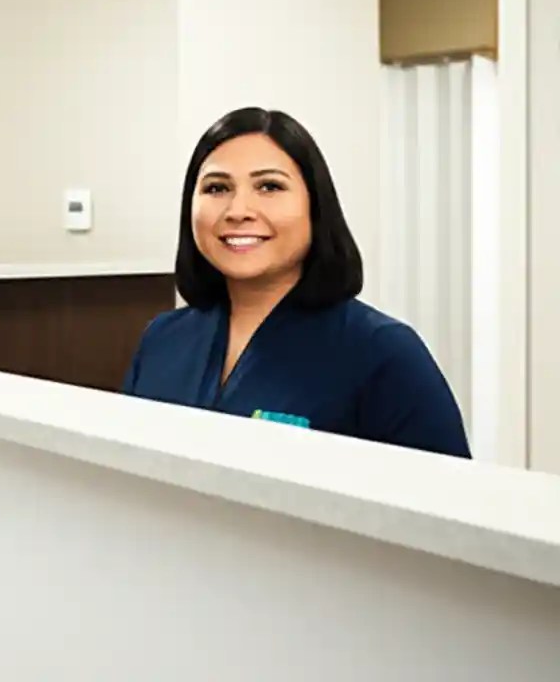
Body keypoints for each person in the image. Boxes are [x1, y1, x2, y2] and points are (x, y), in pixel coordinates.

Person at [121, 107, 470, 458]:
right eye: (217, 188)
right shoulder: (162, 340)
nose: (238, 210)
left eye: (269, 186)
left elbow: (448, 502)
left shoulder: (382, 352)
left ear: (315, 207)